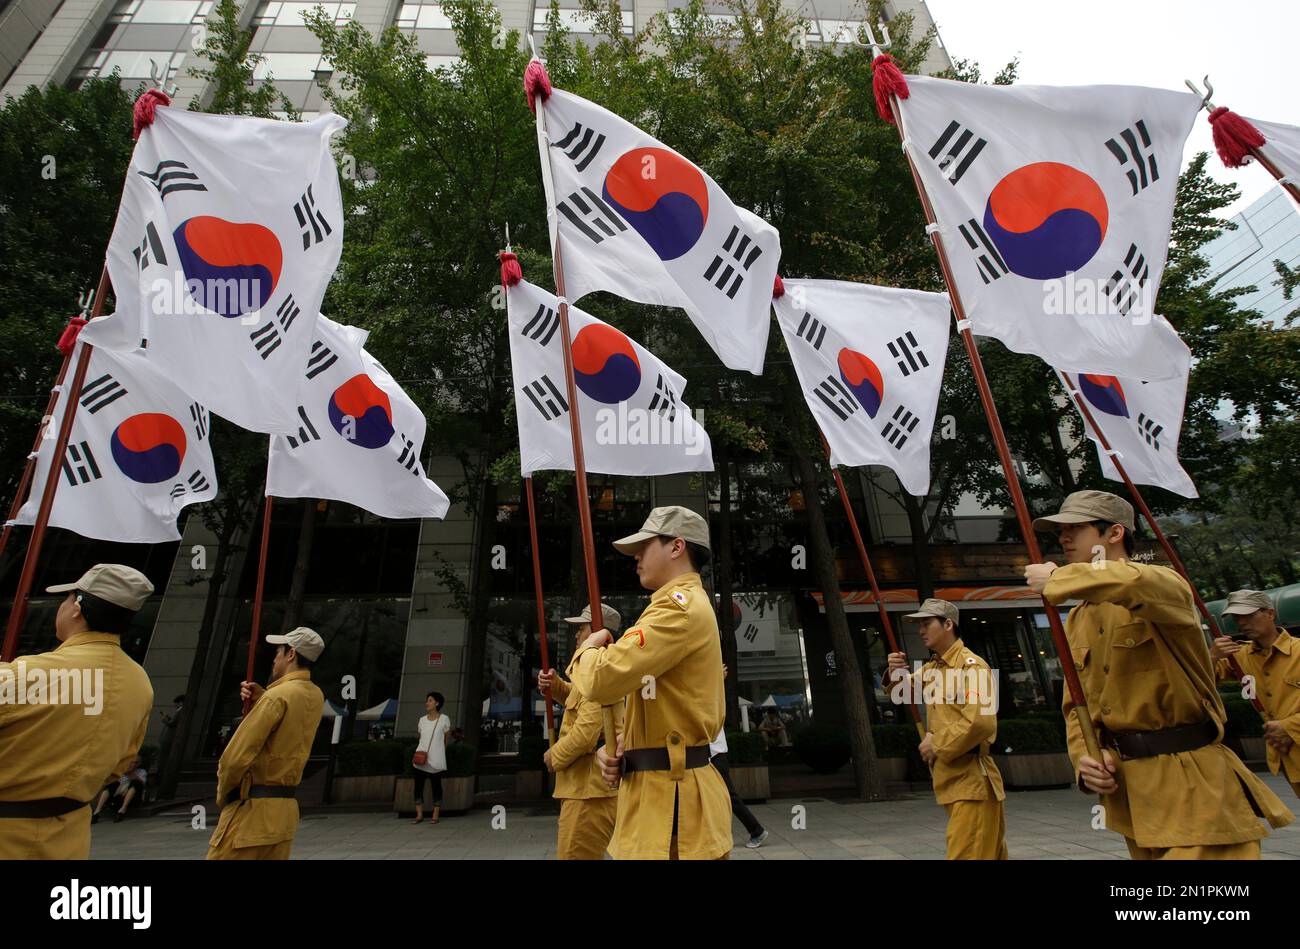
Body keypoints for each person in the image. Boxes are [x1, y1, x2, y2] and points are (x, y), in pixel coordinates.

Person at [1025, 490, 1293, 859]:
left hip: (1194, 783)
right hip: (1132, 792)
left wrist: (1059, 579)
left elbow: (1133, 583)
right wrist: (1086, 757)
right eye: (1060, 532)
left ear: (1114, 534)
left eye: (1076, 528)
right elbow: (1077, 705)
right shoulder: (1080, 618)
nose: (1064, 538)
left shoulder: (1163, 585)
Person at [573, 506, 732, 860]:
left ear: (676, 547)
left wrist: (586, 650)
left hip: (672, 802)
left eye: (645, 546)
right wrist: (623, 748)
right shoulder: (678, 605)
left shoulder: (677, 609)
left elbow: (600, 680)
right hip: (664, 793)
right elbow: (662, 704)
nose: (637, 557)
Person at [0, 564, 155, 859]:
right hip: (69, 838)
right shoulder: (139, 683)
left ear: (76, 609)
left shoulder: (27, 673)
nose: (62, 606)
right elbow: (119, 765)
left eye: (67, 598)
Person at [885, 598, 1007, 859]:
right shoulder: (932, 669)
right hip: (952, 782)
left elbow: (982, 722)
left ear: (948, 624)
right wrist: (893, 671)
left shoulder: (973, 666)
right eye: (919, 625)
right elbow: (901, 692)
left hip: (973, 782)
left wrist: (936, 742)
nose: (920, 631)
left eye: (926, 624)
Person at [206, 627, 326, 860]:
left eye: (278, 652)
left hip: (250, 813)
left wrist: (224, 796)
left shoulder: (277, 697)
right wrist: (262, 699)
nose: (274, 658)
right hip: (283, 813)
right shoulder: (315, 695)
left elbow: (234, 759)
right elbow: (287, 733)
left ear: (291, 654)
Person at [536, 602, 625, 859]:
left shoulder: (601, 672)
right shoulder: (595, 671)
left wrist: (555, 755)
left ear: (599, 633)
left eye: (582, 628)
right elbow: (580, 703)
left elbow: (587, 731)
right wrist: (556, 686)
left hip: (589, 793)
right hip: (586, 789)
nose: (577, 635)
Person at [1211, 590, 1300, 799]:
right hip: (1287, 756)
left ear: (1270, 614)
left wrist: (1288, 727)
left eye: (1249, 615)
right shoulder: (1238, 657)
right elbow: (1200, 682)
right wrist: (1212, 656)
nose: (1242, 623)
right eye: (1236, 617)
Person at [708, 665, 767, 849]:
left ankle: (756, 830)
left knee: (729, 797)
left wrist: (717, 679)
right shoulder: (710, 696)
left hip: (714, 754)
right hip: (713, 753)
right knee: (716, 797)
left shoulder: (709, 698)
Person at [412, 690, 451, 824]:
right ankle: (419, 814)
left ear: (437, 703)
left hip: (436, 759)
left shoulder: (444, 719)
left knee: (436, 785)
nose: (427, 703)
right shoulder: (422, 720)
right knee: (418, 786)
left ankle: (435, 815)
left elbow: (446, 737)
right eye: (427, 700)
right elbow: (421, 738)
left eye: (430, 700)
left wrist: (440, 750)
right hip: (421, 758)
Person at [92, 756, 147, 824]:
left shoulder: (142, 771)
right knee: (113, 784)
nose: (133, 764)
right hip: (117, 797)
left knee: (136, 782)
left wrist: (130, 774)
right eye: (131, 762)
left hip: (133, 799)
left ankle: (122, 810)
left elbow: (142, 785)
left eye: (135, 762)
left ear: (139, 764)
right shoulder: (120, 772)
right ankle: (97, 811)